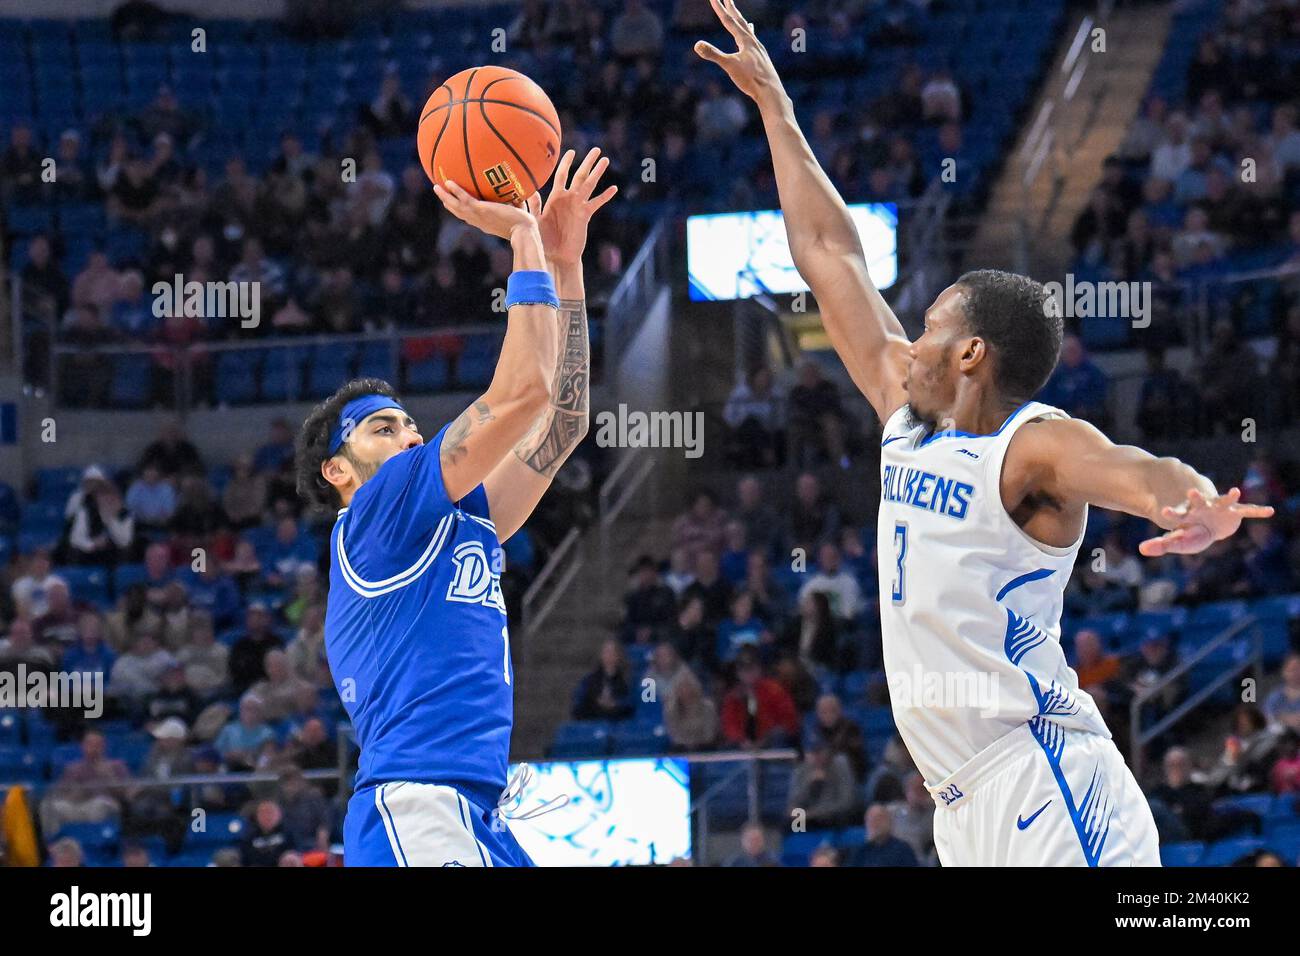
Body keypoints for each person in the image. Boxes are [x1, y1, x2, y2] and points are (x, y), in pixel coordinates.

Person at [695, 2, 1272, 866]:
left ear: (970, 351)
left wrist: (1190, 499)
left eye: (926, 324)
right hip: (961, 804)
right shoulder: (905, 414)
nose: (907, 337)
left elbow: (1132, 468)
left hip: (1044, 779)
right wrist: (778, 111)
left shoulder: (1029, 446)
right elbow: (829, 254)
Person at [304, 149, 615, 867]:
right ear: (338, 472)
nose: (409, 435)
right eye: (383, 430)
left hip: (471, 810)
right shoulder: (378, 511)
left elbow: (560, 426)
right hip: (416, 805)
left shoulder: (452, 520)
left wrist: (565, 267)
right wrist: (525, 241)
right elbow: (521, 396)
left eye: (411, 425)